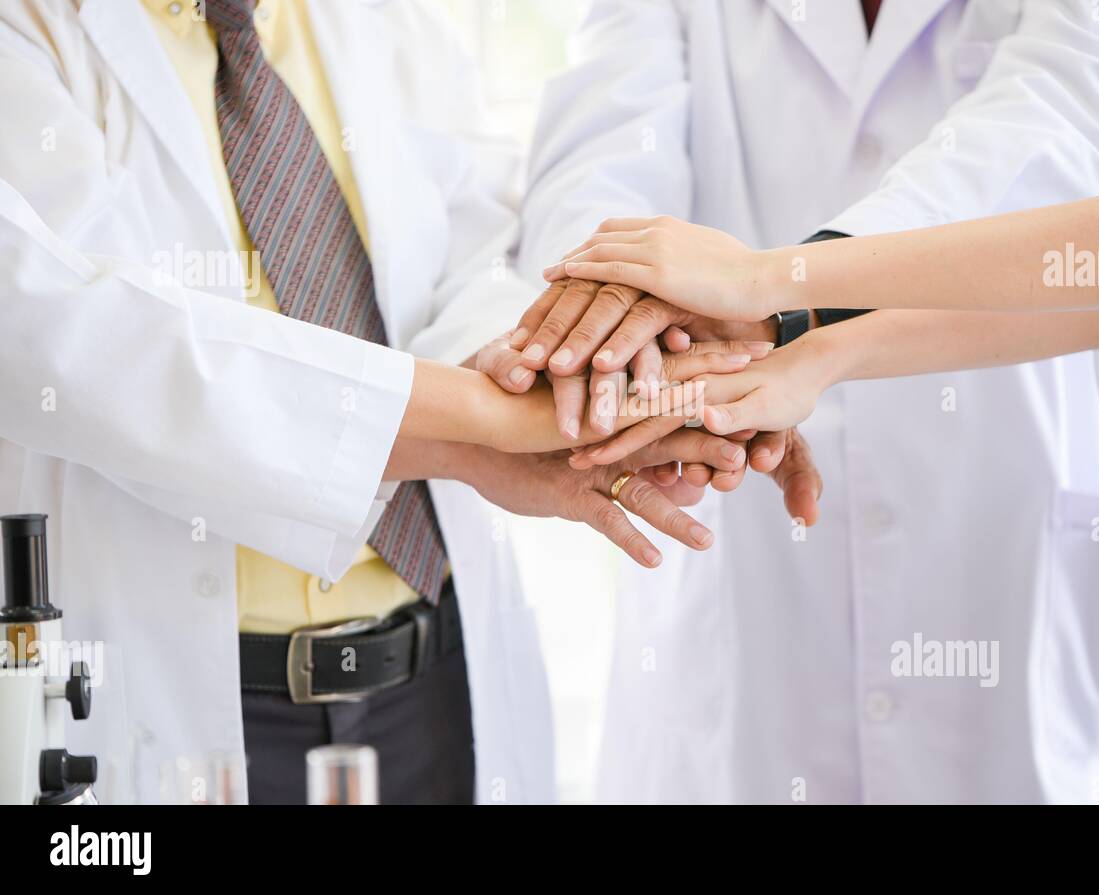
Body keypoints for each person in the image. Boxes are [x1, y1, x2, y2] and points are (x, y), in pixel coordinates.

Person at [511, 0, 1099, 803]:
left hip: (1028, 532)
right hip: (739, 538)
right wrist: (610, 319)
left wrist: (792, 292)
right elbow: (610, 122)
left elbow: (1076, 119)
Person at [0, 0, 745, 804]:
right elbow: (81, 340)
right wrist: (474, 429)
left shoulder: (380, 18)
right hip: (190, 703)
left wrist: (535, 373)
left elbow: (479, 248)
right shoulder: (29, 32)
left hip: (436, 684)